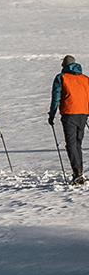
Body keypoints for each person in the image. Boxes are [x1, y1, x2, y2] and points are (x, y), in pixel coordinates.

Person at [49, 55, 89, 185]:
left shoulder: (62, 78)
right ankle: (79, 172)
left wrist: (52, 114)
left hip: (69, 113)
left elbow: (56, 97)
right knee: (77, 143)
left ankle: (77, 173)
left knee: (71, 144)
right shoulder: (85, 79)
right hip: (83, 113)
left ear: (64, 66)